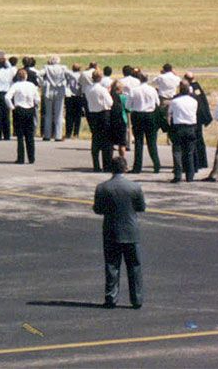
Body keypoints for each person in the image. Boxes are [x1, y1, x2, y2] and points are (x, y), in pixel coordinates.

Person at [92, 156, 145, 309]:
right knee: (134, 266)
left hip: (111, 231)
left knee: (112, 265)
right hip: (131, 231)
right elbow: (141, 207)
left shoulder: (102, 187)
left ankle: (111, 298)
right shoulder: (135, 187)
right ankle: (137, 299)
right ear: (125, 168)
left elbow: (98, 209)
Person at [127, 77, 161, 174]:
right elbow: (157, 103)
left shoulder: (134, 90)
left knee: (138, 142)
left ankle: (137, 167)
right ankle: (156, 165)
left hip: (138, 115)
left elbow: (128, 105)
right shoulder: (152, 90)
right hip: (150, 115)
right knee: (152, 142)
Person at [6, 69, 40, 164]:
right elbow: (37, 98)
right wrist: (34, 104)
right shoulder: (31, 85)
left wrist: (12, 107)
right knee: (30, 135)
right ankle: (31, 157)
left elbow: (7, 97)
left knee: (20, 136)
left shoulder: (15, 85)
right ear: (26, 76)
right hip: (30, 109)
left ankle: (20, 158)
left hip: (19, 109)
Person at [167, 82, 199, 183]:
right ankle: (190, 176)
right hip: (191, 127)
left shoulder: (175, 101)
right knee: (189, 152)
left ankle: (178, 175)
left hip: (178, 127)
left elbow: (169, 114)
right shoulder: (194, 101)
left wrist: (169, 127)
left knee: (177, 152)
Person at [84, 70, 113, 172]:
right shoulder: (102, 89)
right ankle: (107, 165)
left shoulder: (88, 89)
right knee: (106, 140)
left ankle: (96, 165)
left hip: (93, 114)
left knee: (95, 139)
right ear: (100, 78)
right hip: (103, 113)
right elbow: (110, 102)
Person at [41, 56, 68, 141]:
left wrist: (43, 82)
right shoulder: (63, 68)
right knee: (58, 114)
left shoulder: (46, 68)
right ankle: (58, 136)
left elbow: (38, 74)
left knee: (48, 114)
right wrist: (64, 82)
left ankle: (47, 135)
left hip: (48, 91)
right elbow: (70, 75)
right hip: (59, 91)